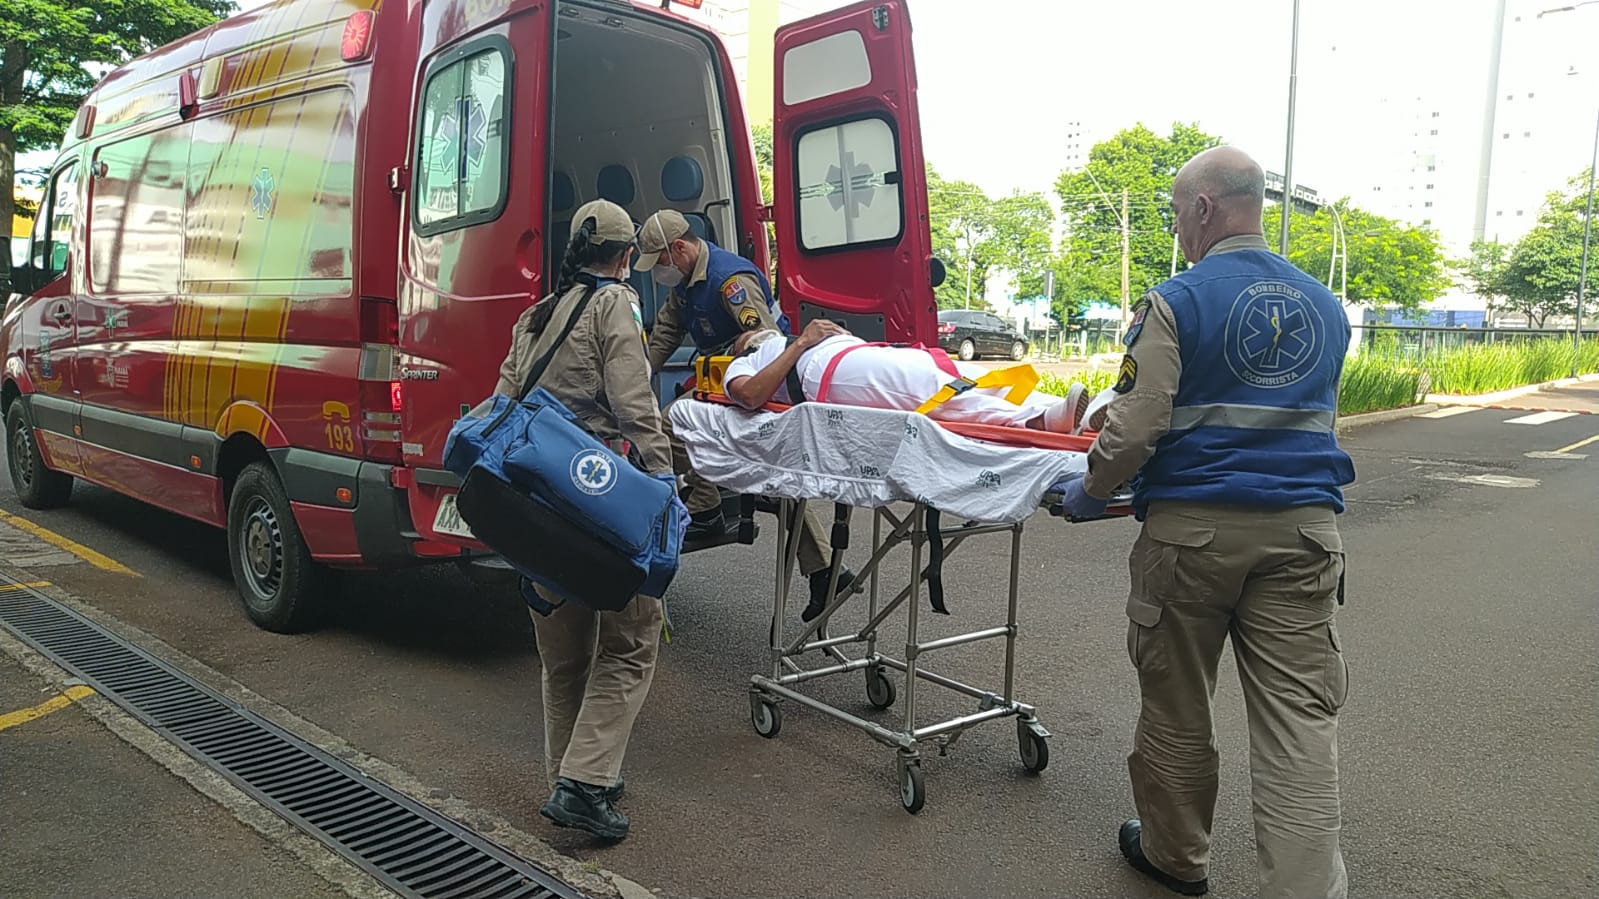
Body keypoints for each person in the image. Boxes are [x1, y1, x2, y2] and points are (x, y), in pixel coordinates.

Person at [1053, 146, 1356, 898]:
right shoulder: (1324, 305)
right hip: (1304, 536)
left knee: (1178, 704)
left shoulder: (1176, 301)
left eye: (1175, 214)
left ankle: (1176, 855)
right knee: (1298, 724)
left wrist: (1090, 488)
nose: (1175, 230)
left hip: (1192, 536)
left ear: (1203, 208)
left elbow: (1136, 424)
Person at [492, 199, 673, 842]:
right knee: (632, 641)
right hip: (598, 498)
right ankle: (586, 783)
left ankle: (567, 779)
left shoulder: (534, 315)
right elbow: (634, 404)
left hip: (535, 503)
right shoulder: (615, 304)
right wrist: (665, 483)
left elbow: (502, 403)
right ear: (625, 256)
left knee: (563, 657)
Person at [637, 208, 852, 620]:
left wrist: (742, 386)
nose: (658, 272)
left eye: (659, 261)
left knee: (672, 425)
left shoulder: (730, 282)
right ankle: (825, 570)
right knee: (772, 475)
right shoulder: (685, 283)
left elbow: (767, 342)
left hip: (759, 382)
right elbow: (665, 334)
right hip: (724, 382)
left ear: (679, 248)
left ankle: (705, 504)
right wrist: (636, 375)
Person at [723, 319, 1113, 436]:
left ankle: (1075, 410)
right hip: (830, 375)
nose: (756, 332)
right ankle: (1034, 422)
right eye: (747, 336)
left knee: (977, 377)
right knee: (937, 393)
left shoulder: (789, 340)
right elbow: (750, 396)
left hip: (862, 355)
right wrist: (801, 344)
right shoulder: (748, 361)